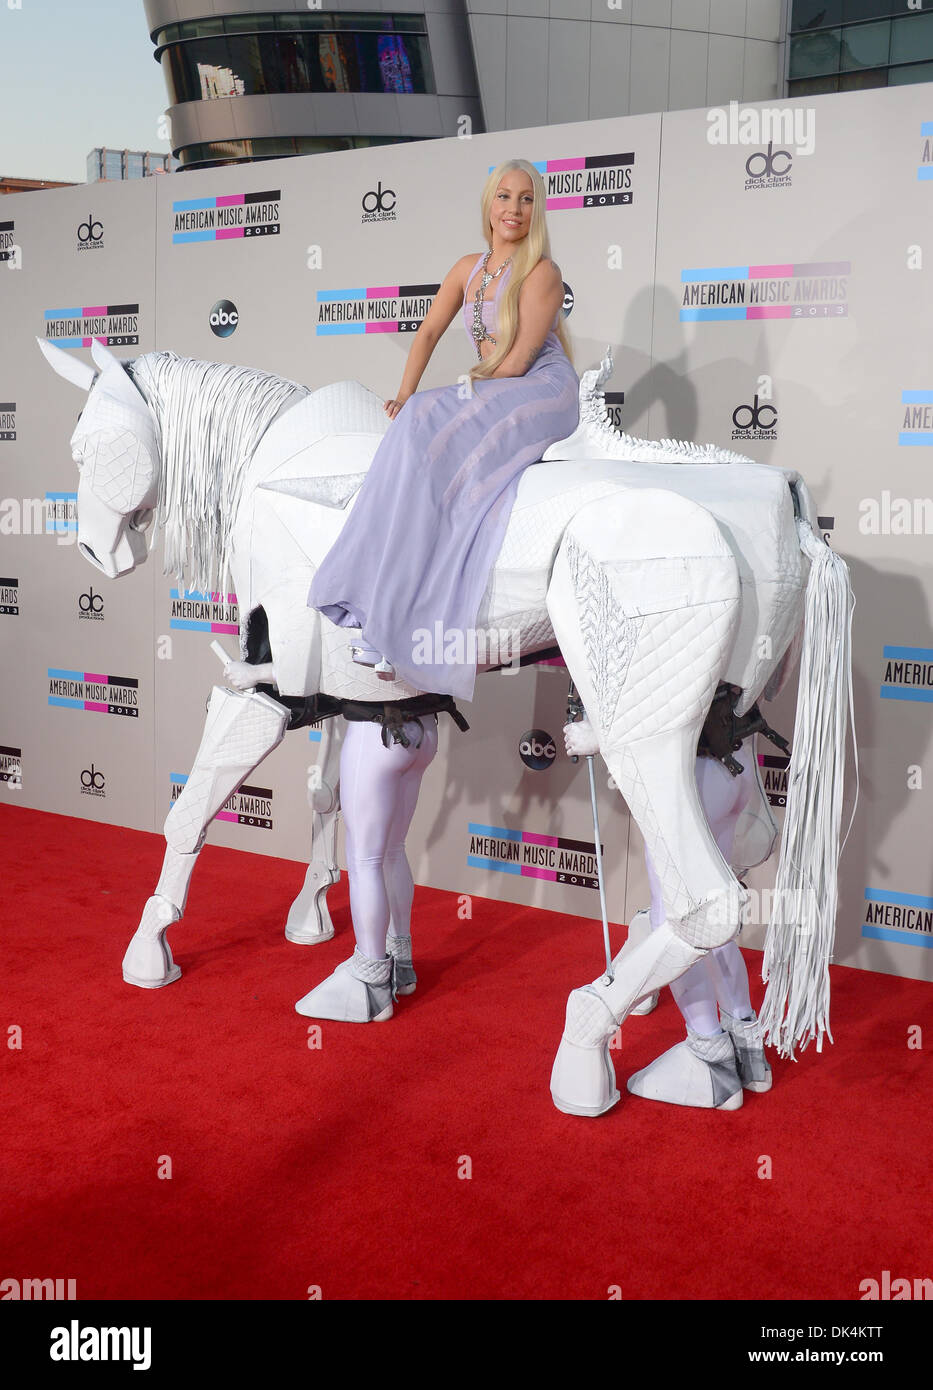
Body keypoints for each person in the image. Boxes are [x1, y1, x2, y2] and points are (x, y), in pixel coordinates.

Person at [308, 158, 580, 701]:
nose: (514, 209)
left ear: (537, 209)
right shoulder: (466, 268)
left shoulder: (543, 272)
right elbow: (429, 329)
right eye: (505, 197)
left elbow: (521, 358)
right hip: (497, 385)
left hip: (541, 389)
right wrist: (406, 395)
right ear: (488, 203)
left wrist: (459, 394)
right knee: (415, 427)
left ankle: (401, 624)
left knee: (435, 423)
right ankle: (380, 612)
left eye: (527, 199)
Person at [295, 715, 439, 1022]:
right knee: (392, 849)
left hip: (376, 731)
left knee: (365, 860)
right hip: (424, 730)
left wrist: (257, 674)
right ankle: (401, 966)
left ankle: (371, 981)